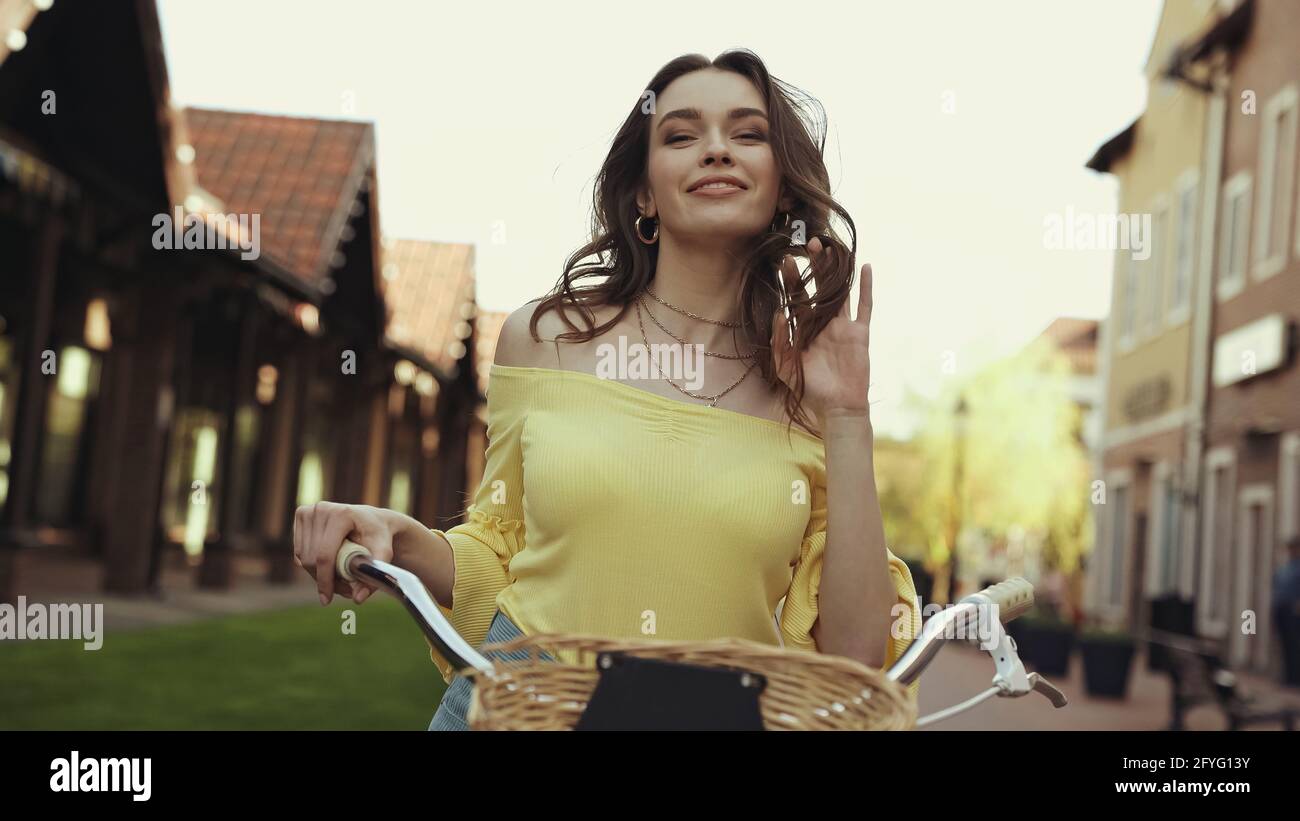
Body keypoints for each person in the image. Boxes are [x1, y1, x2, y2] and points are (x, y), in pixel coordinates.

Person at [292, 49, 922, 731]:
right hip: (517, 708)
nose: (716, 150)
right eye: (682, 135)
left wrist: (849, 414)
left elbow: (855, 658)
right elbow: (501, 548)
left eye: (747, 133)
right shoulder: (544, 338)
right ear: (644, 193)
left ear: (784, 189)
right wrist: (398, 534)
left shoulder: (813, 390)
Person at [1273, 536, 1300, 686]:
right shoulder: (1285, 567)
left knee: (1294, 644)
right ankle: (1287, 676)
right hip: (1281, 608)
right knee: (1284, 643)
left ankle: (1295, 678)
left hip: (1294, 610)